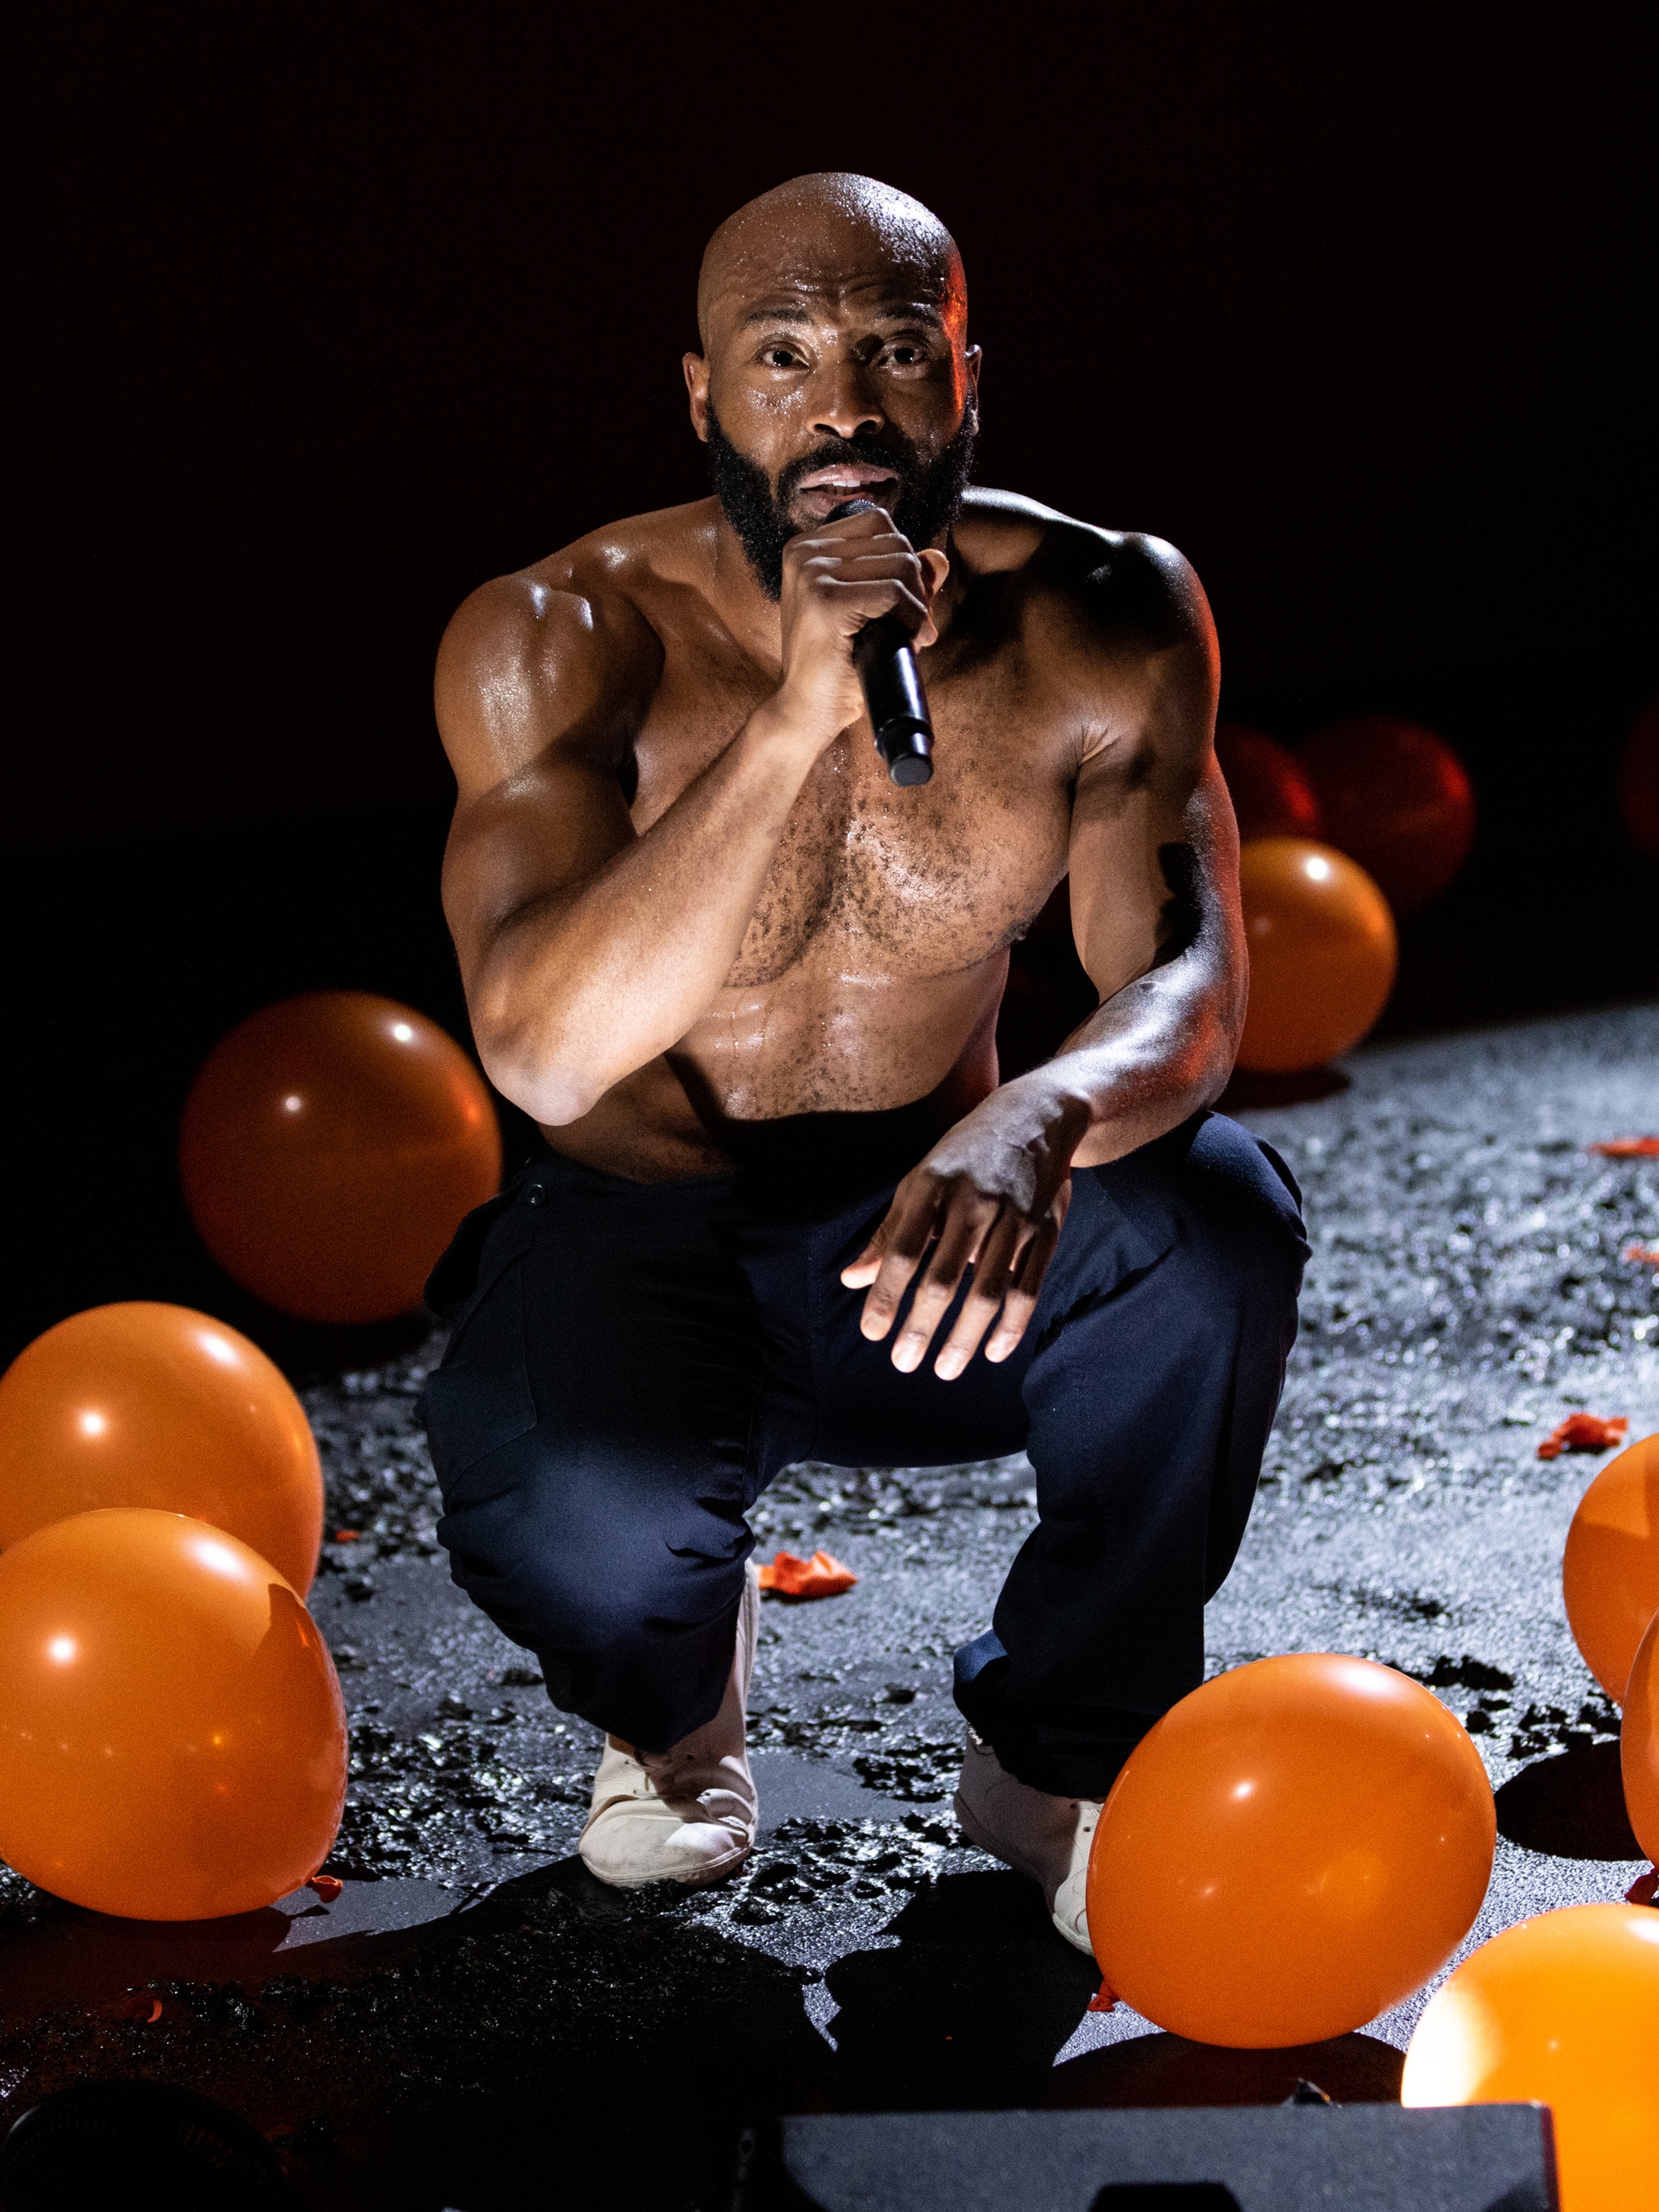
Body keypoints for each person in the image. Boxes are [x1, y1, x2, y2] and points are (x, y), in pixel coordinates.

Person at [424, 173, 1307, 1951]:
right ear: (702, 398)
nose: (841, 408)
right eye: (783, 355)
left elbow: (1194, 992)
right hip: (639, 1241)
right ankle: (673, 1708)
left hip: (929, 1235)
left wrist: (1039, 1113)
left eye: (895, 351)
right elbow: (536, 1045)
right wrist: (799, 718)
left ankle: (1056, 1753)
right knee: (569, 1514)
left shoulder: (1105, 610)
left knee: (1207, 1230)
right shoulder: (555, 634)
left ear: (966, 384)